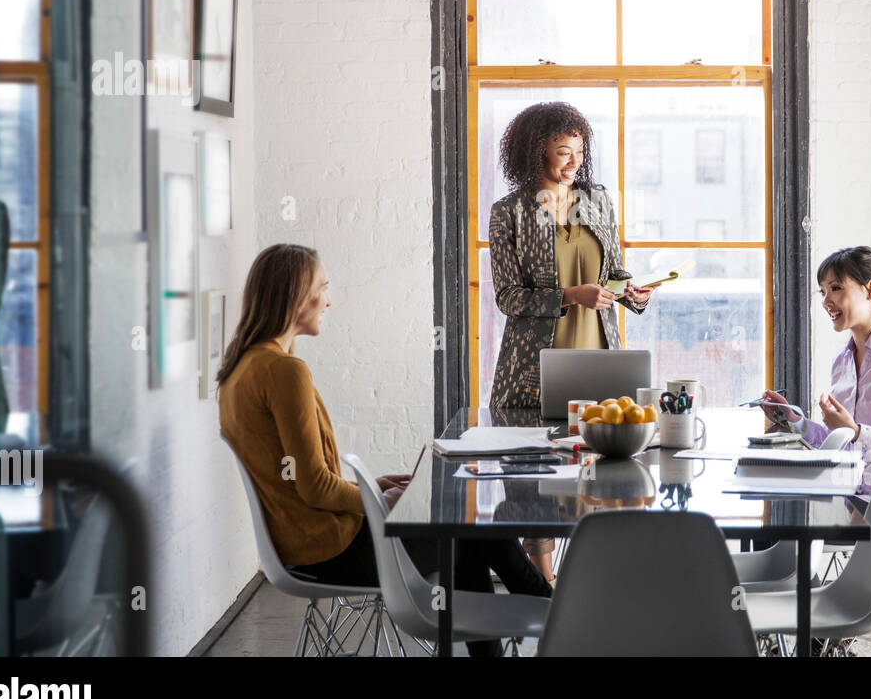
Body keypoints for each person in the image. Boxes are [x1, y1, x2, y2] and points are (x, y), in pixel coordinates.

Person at [218, 243, 552, 657]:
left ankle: (540, 613)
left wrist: (375, 491)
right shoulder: (284, 371)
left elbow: (296, 482)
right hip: (330, 552)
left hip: (301, 548)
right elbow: (315, 489)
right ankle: (552, 611)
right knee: (467, 528)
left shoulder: (240, 371)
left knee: (465, 534)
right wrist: (382, 503)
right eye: (323, 287)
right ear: (295, 296)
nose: (329, 299)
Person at [488, 102, 653, 580]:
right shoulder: (510, 213)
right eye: (563, 151)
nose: (574, 162)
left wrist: (632, 293)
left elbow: (614, 273)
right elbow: (508, 297)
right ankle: (543, 587)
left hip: (597, 358)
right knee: (537, 483)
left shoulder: (597, 202)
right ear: (533, 151)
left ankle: (593, 581)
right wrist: (569, 295)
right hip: (532, 368)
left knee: (602, 477)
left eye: (580, 151)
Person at [760, 245, 871, 542]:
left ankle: (822, 587)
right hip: (859, 492)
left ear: (870, 289)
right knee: (779, 513)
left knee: (791, 529)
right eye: (822, 291)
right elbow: (845, 443)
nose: (826, 301)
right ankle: (808, 586)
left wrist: (858, 432)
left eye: (835, 288)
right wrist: (797, 423)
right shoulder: (843, 361)